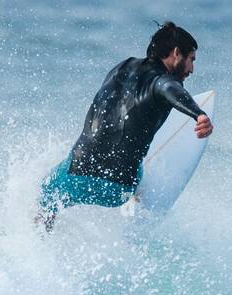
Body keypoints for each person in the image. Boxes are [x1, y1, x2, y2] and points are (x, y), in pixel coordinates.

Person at [35, 21, 214, 231]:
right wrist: (198, 114)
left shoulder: (121, 67)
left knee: (46, 194)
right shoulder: (161, 82)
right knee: (133, 175)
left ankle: (38, 239)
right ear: (176, 53)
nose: (191, 69)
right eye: (191, 60)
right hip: (116, 189)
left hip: (76, 174)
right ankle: (137, 198)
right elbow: (169, 88)